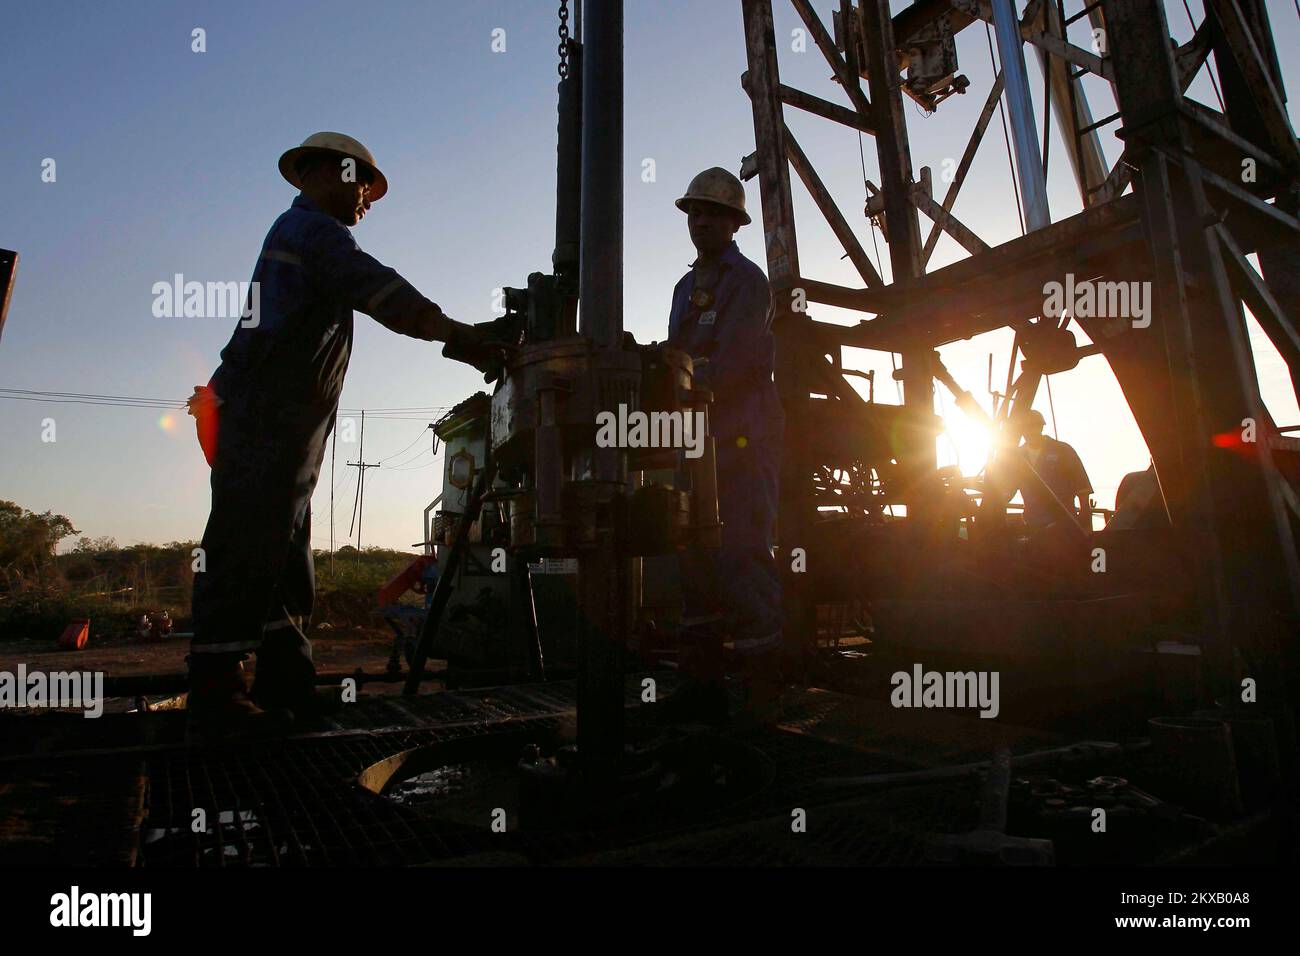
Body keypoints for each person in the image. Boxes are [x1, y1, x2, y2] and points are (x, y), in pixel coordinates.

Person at [185, 132, 506, 734]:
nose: (368, 200)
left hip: (285, 422)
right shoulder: (312, 233)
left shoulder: (300, 234)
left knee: (284, 557)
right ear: (330, 174)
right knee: (247, 544)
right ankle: (216, 693)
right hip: (265, 413)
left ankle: (288, 685)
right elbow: (381, 291)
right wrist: (458, 336)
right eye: (364, 185)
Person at [662, 167, 785, 724]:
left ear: (734, 223)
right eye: (695, 213)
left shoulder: (749, 281)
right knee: (693, 548)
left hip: (743, 428)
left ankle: (761, 687)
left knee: (742, 546)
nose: (701, 222)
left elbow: (735, 361)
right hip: (696, 439)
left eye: (713, 213)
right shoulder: (684, 289)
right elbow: (677, 356)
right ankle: (703, 682)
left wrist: (680, 375)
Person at [1007, 409, 1093, 528]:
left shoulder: (1063, 450)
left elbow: (1082, 487)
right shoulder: (1017, 457)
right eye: (1026, 427)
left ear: (1041, 427)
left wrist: (1085, 521)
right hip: (1033, 524)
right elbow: (1008, 490)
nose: (1030, 431)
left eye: (1034, 426)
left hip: (1064, 524)